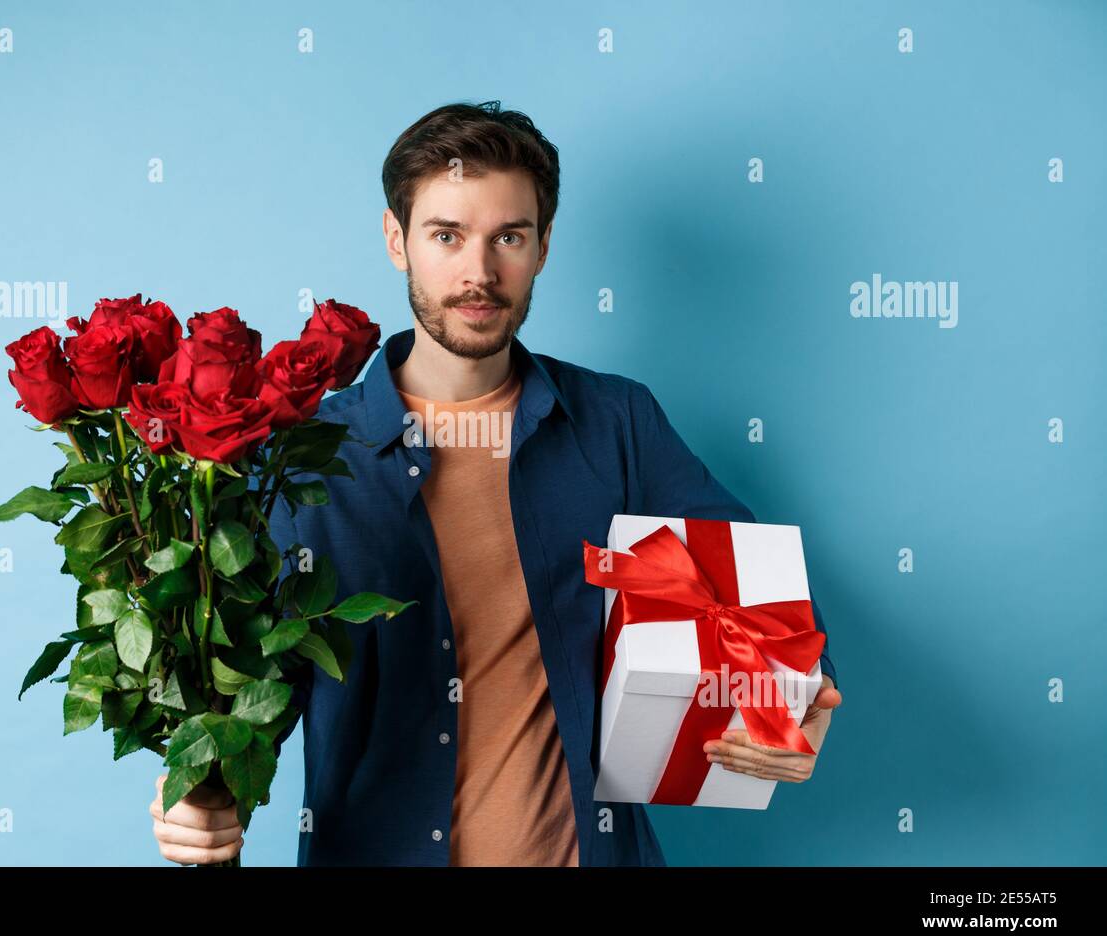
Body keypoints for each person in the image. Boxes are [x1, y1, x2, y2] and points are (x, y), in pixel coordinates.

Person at [150, 100, 842, 866]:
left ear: (543, 246)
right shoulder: (299, 459)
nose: (479, 273)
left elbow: (753, 590)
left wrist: (797, 695)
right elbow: (249, 694)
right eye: (446, 235)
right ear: (397, 240)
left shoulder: (615, 422)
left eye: (508, 237)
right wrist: (199, 793)